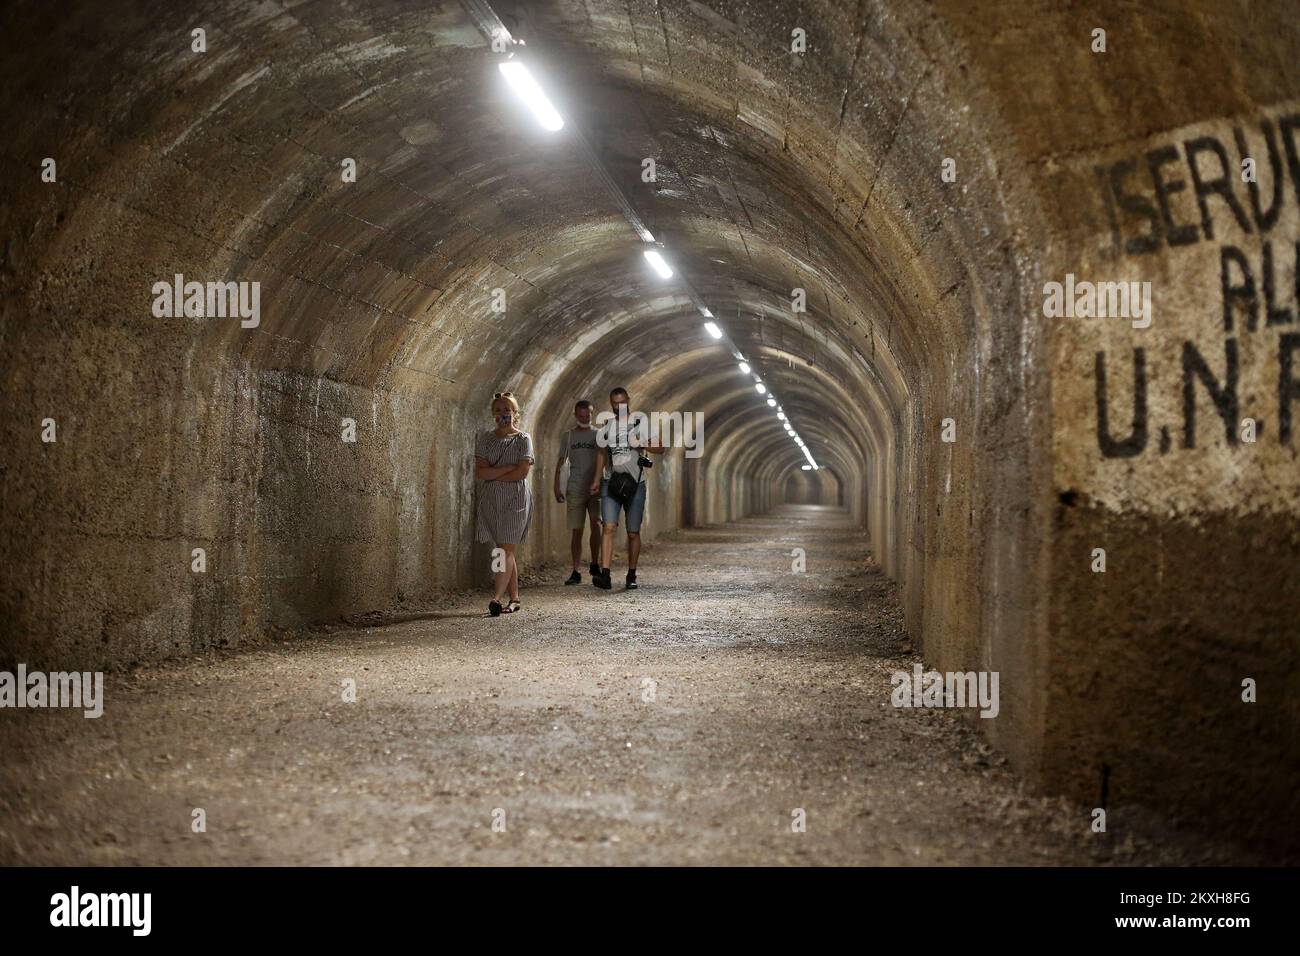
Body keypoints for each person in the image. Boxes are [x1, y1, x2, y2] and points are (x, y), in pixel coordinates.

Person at [590, 387, 665, 591]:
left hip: (635, 484)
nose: (619, 406)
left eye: (622, 402)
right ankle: (605, 574)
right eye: (615, 403)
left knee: (633, 532)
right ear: (611, 403)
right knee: (608, 526)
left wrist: (640, 442)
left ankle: (631, 574)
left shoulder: (641, 423)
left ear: (628, 401)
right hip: (611, 482)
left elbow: (660, 447)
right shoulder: (608, 426)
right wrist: (597, 479)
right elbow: (600, 454)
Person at [473, 392, 534, 616]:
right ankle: (515, 599)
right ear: (493, 414)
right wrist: (507, 469)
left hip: (516, 499)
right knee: (503, 549)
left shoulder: (523, 439)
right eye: (498, 410)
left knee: (505, 549)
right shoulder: (486, 439)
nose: (503, 414)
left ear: (515, 414)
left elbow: (522, 473)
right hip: (492, 500)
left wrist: (494, 473)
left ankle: (496, 598)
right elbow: (480, 472)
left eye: (507, 410)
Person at [553, 400, 603, 584]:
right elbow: (561, 461)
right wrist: (556, 486)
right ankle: (575, 570)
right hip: (575, 487)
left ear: (592, 414)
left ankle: (595, 563)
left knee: (596, 523)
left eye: (587, 415)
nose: (584, 418)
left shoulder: (598, 435)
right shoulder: (568, 436)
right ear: (575, 415)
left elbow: (603, 459)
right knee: (577, 530)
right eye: (580, 416)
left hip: (595, 488)